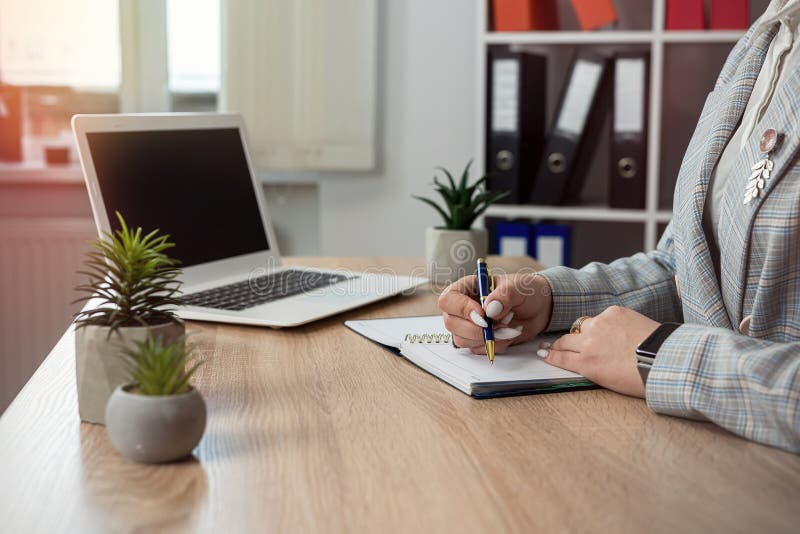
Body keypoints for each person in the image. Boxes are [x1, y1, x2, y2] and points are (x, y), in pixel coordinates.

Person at [439, 0, 800, 453]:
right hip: (698, 455)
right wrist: (549, 299)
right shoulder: (767, 38)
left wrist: (664, 357)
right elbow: (686, 266)